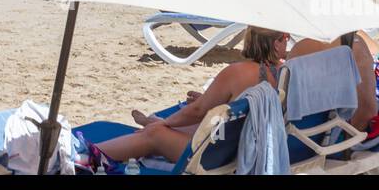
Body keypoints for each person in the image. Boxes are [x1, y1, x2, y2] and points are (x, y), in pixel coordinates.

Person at [89, 27, 289, 167]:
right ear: (275, 42)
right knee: (201, 119)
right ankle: (158, 123)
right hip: (244, 145)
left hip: (218, 155)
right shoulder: (282, 72)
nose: (287, 41)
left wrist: (166, 123)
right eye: (285, 37)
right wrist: (208, 101)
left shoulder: (238, 72)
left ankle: (85, 155)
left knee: (154, 134)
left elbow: (197, 111)